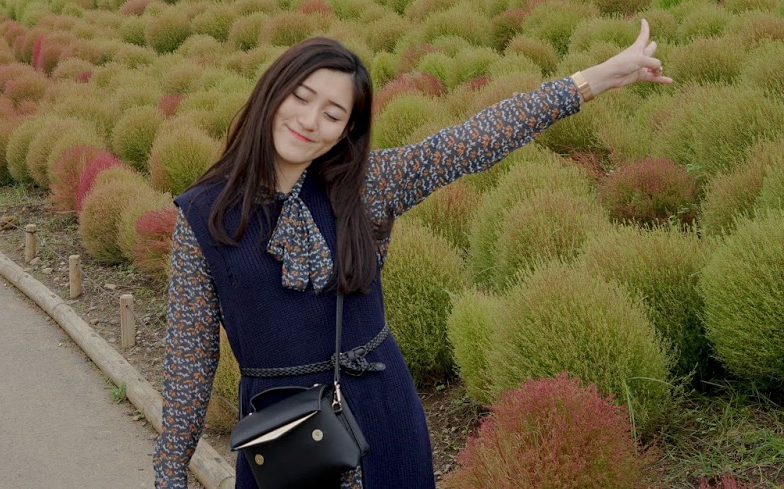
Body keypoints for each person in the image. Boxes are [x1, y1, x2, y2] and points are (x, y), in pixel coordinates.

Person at [153, 27, 670, 488]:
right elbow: (188, 369)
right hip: (285, 440)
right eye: (301, 97)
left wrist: (595, 79)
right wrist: (169, 477)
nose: (310, 121)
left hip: (383, 416)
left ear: (347, 130)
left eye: (333, 114)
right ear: (271, 93)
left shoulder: (365, 186)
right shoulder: (204, 219)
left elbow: (473, 140)